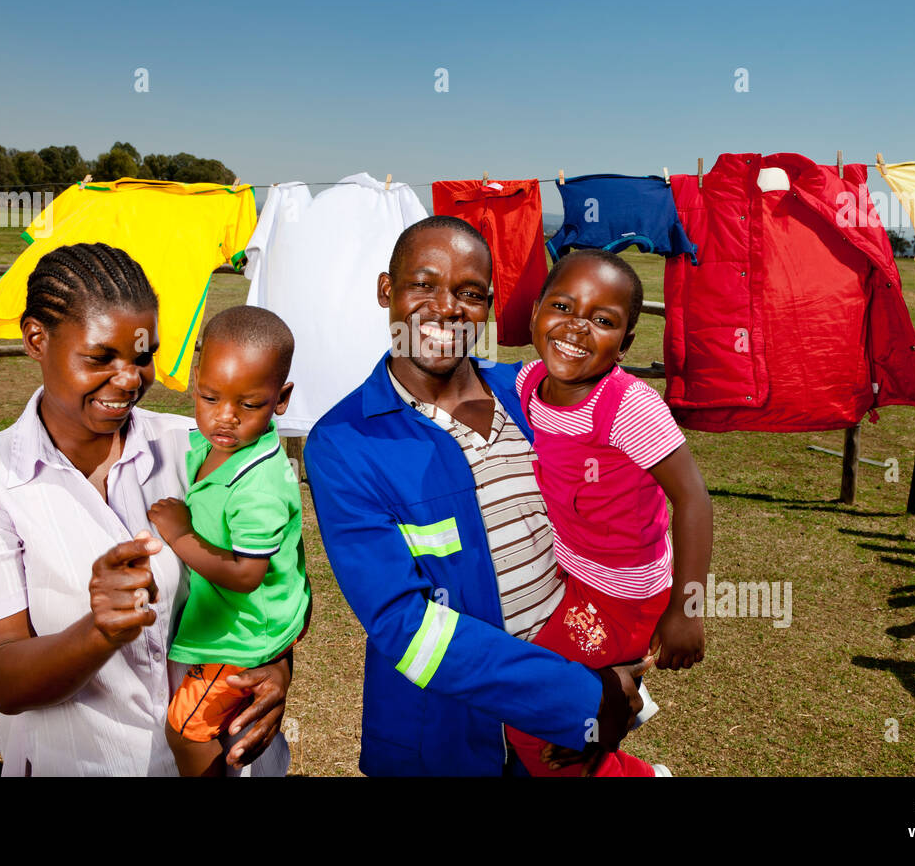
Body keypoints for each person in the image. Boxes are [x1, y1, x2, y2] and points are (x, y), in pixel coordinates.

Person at [304, 216, 663, 776]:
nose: (446, 308)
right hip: (444, 741)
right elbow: (404, 624)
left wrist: (618, 662)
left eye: (470, 293)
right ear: (385, 290)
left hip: (562, 726)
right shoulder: (344, 442)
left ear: (490, 306)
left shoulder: (535, 396)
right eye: (423, 284)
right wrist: (581, 696)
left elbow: (615, 519)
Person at [0, 242, 293, 776]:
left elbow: (276, 582)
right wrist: (99, 631)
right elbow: (2, 678)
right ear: (35, 338)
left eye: (143, 357)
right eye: (100, 358)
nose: (128, 379)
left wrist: (278, 667)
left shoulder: (200, 449)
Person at [505, 248, 713, 776]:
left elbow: (692, 498)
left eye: (602, 320)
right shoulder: (529, 383)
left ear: (625, 344)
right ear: (535, 313)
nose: (577, 327)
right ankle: (621, 699)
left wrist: (686, 609)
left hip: (620, 594)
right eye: (563, 306)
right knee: (561, 701)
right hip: (568, 574)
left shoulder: (627, 406)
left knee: (540, 719)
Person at [146, 306, 311, 777]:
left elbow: (245, 573)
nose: (224, 417)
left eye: (249, 404)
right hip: (248, 624)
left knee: (186, 729)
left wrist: (179, 534)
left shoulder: (259, 485)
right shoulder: (212, 446)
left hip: (240, 638)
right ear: (196, 379)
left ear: (281, 399)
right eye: (210, 396)